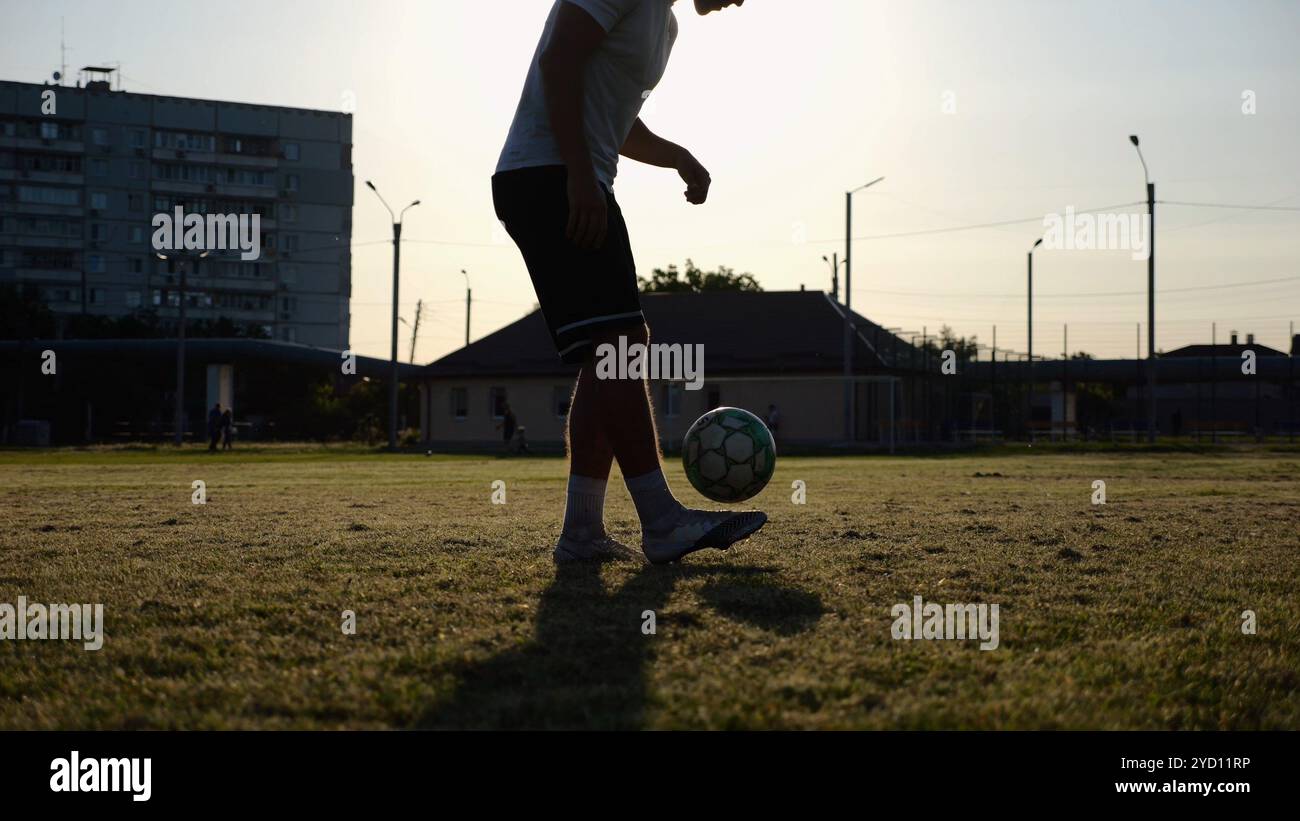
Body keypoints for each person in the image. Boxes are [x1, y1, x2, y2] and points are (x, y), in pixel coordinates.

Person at [492, 0, 763, 564]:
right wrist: (578, 179)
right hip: (549, 178)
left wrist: (678, 158)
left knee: (613, 351)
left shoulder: (665, 24)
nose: (740, 1)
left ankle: (583, 533)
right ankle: (661, 521)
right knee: (620, 347)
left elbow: (616, 120)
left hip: (575, 177)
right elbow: (559, 61)